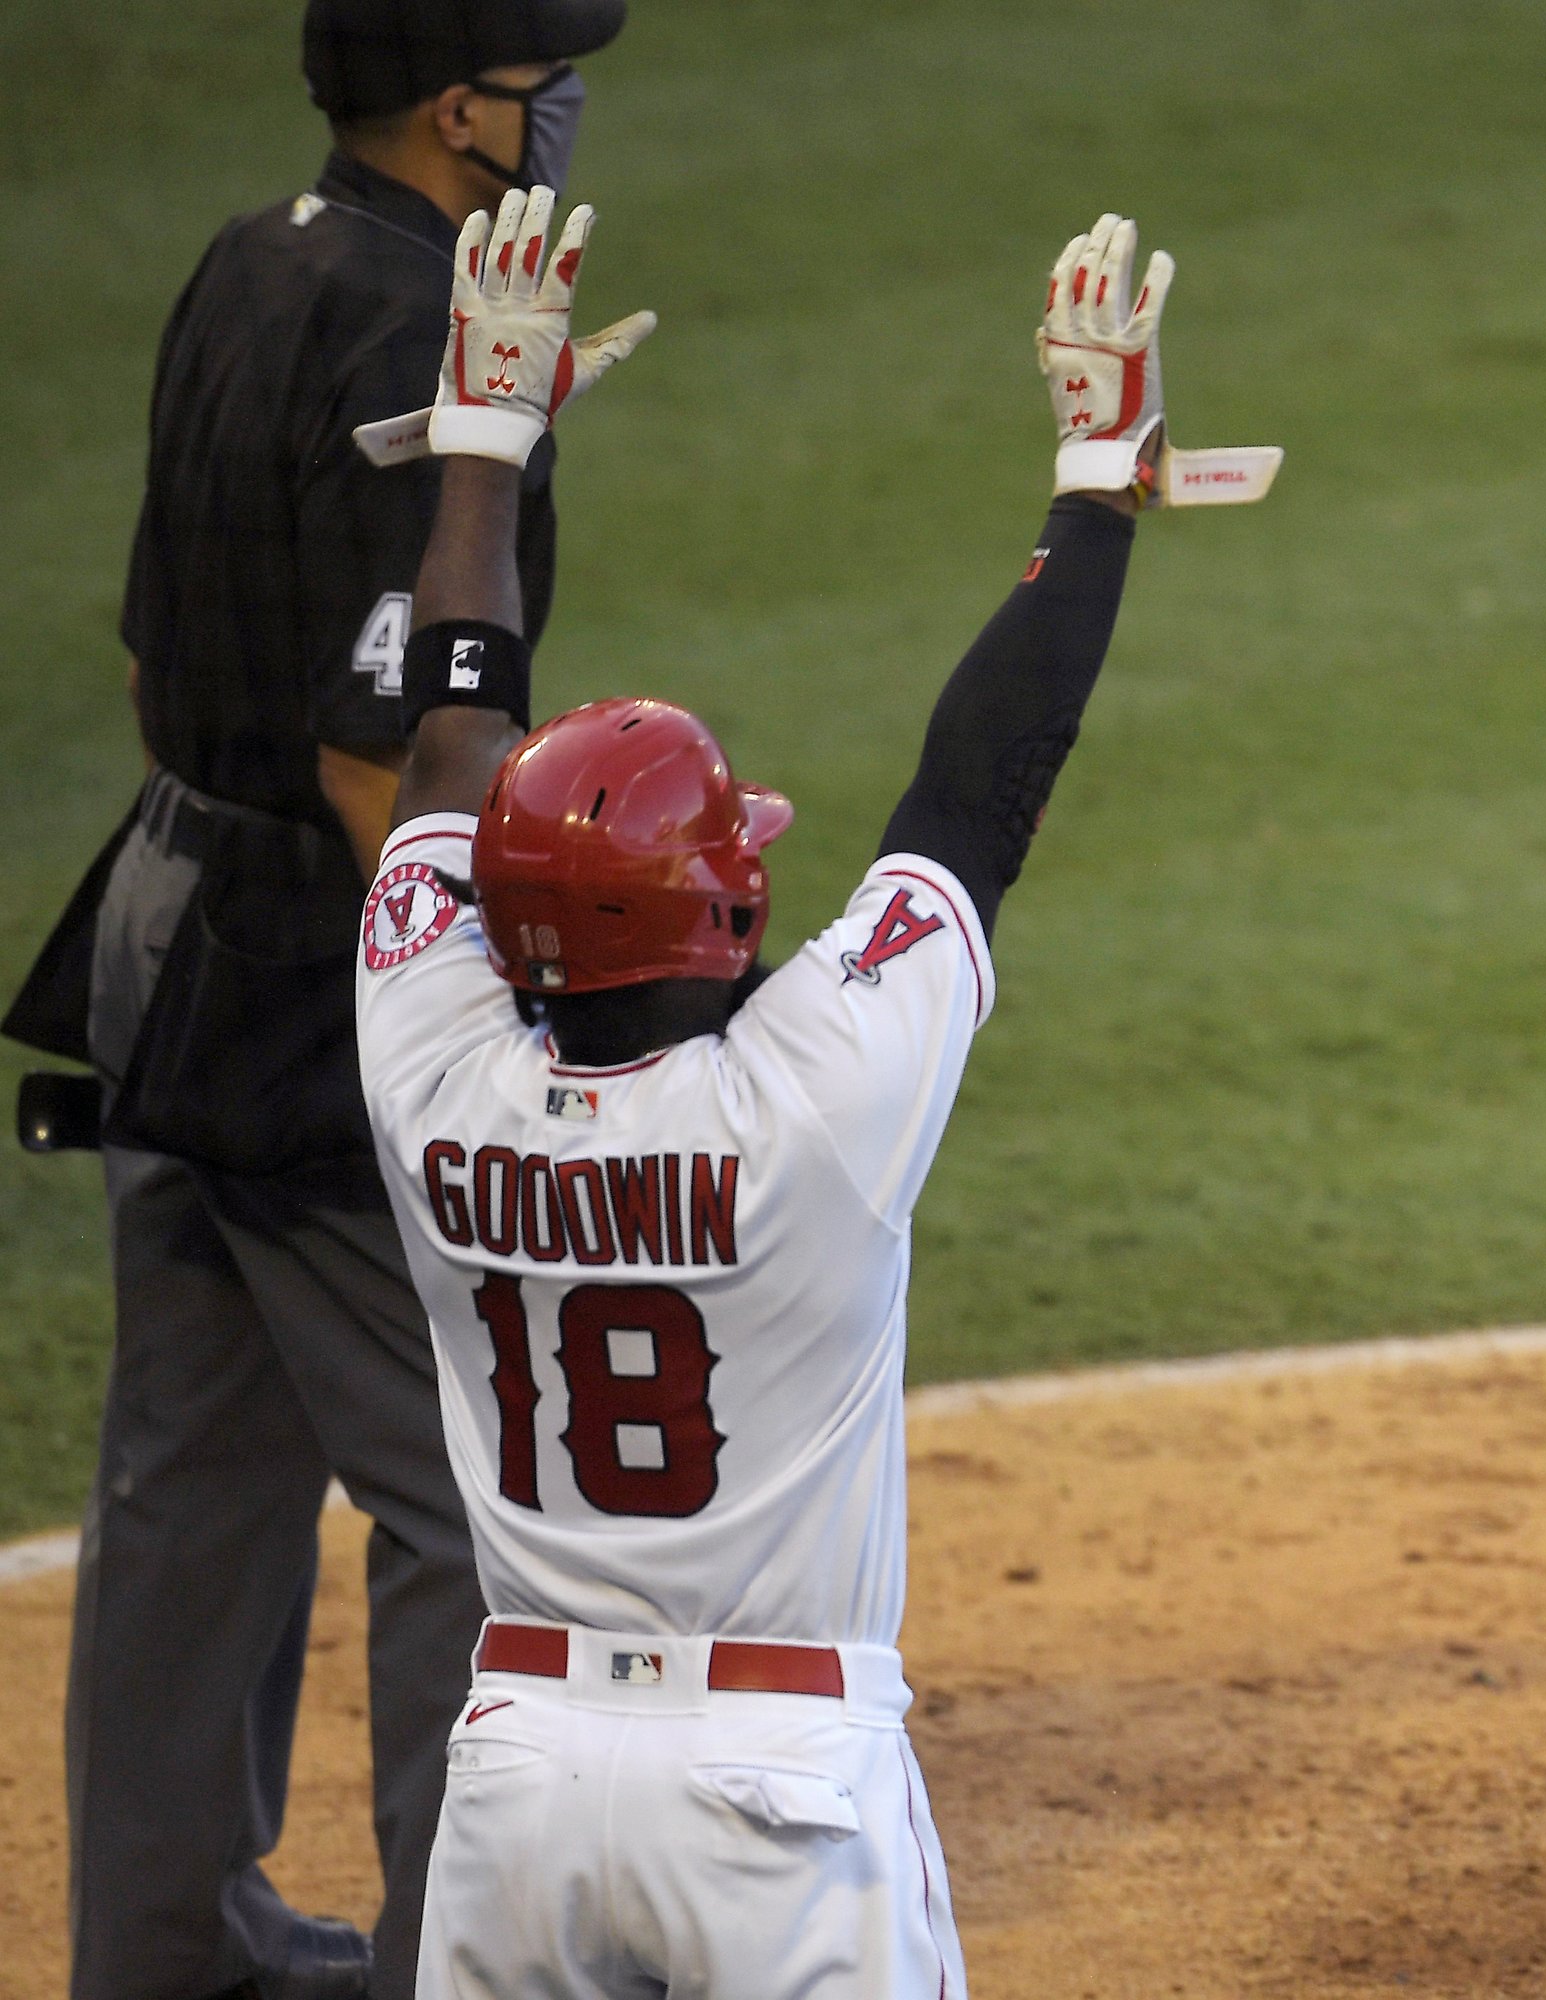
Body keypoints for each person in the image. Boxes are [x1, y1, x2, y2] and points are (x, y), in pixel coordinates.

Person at [351, 194, 1249, 1992]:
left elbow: (449, 736)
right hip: (775, 1791)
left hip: (515, 1777)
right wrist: (1095, 474)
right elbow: (978, 791)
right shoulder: (812, 1102)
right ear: (723, 905)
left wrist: (482, 439)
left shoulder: (425, 1064)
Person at [1, 5, 623, 1995]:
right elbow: (389, 756)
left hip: (163, 901)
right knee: (466, 1492)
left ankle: (164, 1951)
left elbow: (143, 639)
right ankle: (474, 1958)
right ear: (462, 107)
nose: (574, 100)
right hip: (315, 965)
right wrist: (475, 1023)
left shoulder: (247, 257)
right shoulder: (436, 344)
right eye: (546, 72)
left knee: (192, 1474)